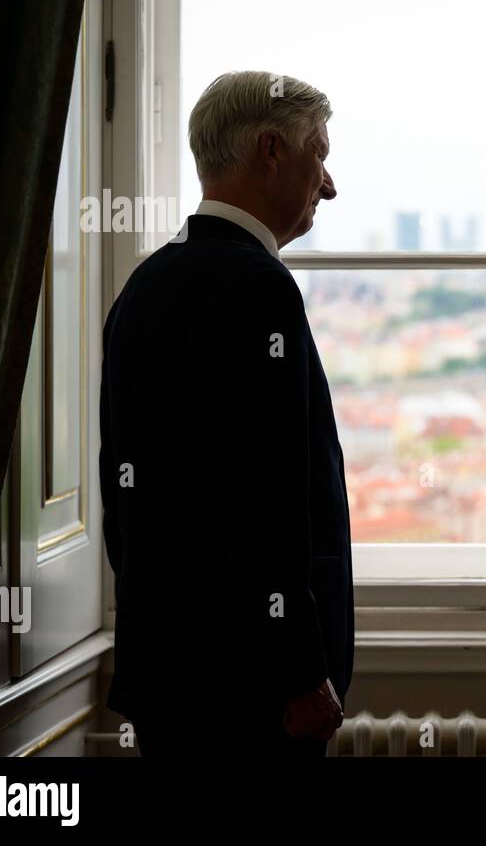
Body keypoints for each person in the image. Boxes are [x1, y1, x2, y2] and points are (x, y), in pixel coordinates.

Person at [99, 71, 352, 756]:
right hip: (253, 695)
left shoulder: (142, 288)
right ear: (271, 150)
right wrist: (299, 671)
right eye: (319, 156)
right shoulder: (259, 288)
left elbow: (123, 506)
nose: (327, 184)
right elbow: (269, 499)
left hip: (171, 680)